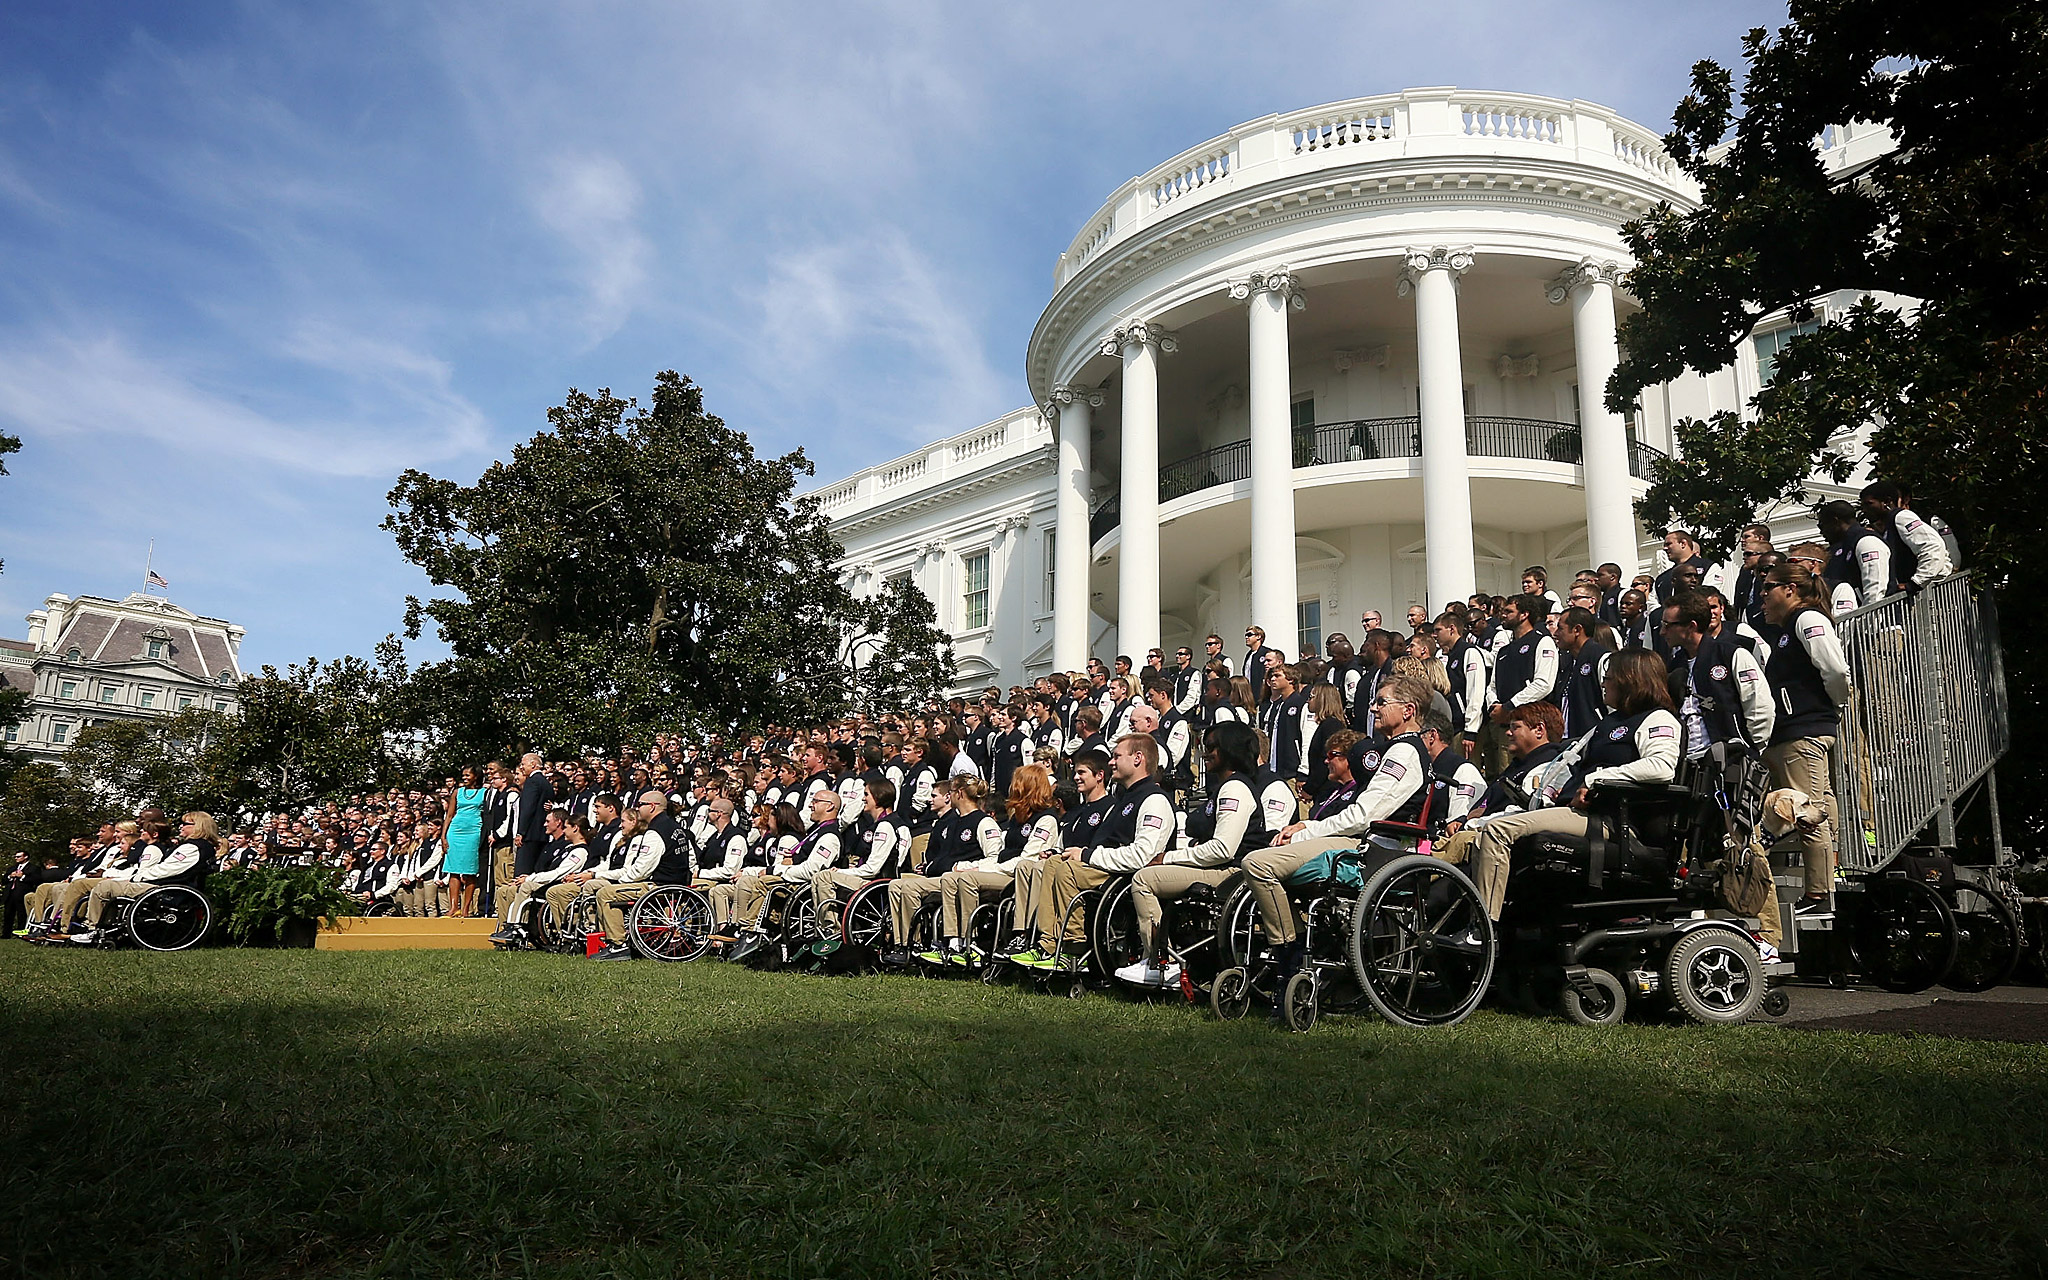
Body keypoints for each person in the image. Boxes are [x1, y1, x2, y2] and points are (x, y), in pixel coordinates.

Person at [1464, 650, 1682, 928]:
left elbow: (1662, 767)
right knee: (1482, 833)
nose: (1603, 683)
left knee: (1499, 831)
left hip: (1611, 822)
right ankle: (1506, 925)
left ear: (1629, 680)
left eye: (1609, 678)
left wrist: (1596, 780)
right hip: (1575, 811)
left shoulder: (1658, 719)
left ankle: (1483, 931)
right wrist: (1543, 795)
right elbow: (1567, 762)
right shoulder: (1608, 722)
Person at [1243, 675, 1436, 982]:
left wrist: (1307, 832)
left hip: (1372, 851)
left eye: (1381, 702)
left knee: (1257, 864)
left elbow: (1364, 816)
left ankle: (1290, 956)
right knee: (1265, 856)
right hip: (1365, 843)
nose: (1372, 709)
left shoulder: (1404, 752)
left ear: (1408, 710)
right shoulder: (1398, 749)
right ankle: (1295, 947)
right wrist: (1308, 824)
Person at [1118, 722, 1268, 988]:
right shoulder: (1223, 788)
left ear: (1229, 750)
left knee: (1144, 879)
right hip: (1221, 868)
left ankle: (1161, 962)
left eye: (1210, 747)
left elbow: (1223, 849)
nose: (1203, 753)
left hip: (1232, 874)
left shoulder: (1235, 789)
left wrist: (1170, 857)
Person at [1013, 734, 1176, 969]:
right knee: (1053, 863)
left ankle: (1072, 949)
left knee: (1068, 870)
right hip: (1107, 864)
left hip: (1128, 874)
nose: (1111, 762)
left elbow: (1143, 856)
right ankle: (1047, 944)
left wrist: (1088, 855)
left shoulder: (1154, 800)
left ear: (1138, 758)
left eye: (1117, 756)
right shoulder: (1124, 798)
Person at [1759, 562, 1853, 916]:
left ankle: (1818, 894)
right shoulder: (1789, 627)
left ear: (1790, 589)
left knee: (1807, 812)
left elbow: (1835, 669)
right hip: (1799, 730)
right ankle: (1831, 874)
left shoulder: (1808, 620)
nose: (1762, 596)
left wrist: (1833, 704)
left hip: (1804, 731)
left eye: (1768, 588)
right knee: (1821, 802)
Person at [929, 766, 1061, 965]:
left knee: (968, 877)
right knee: (951, 877)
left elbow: (1027, 859)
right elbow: (1000, 855)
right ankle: (955, 942)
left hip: (1019, 875)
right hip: (1003, 869)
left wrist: (981, 869)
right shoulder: (1016, 818)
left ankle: (973, 942)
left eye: (1016, 784)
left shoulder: (1046, 819)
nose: (1011, 788)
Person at [890, 775, 1001, 963]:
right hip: (938, 876)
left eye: (951, 792)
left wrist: (964, 867)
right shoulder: (951, 822)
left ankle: (917, 944)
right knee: (895, 885)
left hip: (960, 879)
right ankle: (901, 943)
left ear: (959, 794)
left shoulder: (983, 822)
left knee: (910, 888)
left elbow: (994, 859)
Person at [71, 813, 217, 945]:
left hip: (166, 888)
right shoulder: (199, 847)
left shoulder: (191, 848)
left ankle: (93, 929)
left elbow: (167, 870)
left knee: (105, 887)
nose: (181, 827)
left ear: (198, 827)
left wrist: (137, 878)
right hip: (168, 886)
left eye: (185, 824)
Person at [1859, 480, 1952, 595]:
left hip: (1933, 594)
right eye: (1862, 505)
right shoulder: (1887, 525)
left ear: (1887, 502)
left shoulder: (1901, 517)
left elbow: (1933, 547)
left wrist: (1915, 583)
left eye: (1869, 504)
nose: (1864, 510)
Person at [1815, 500, 1890, 609]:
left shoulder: (1866, 541)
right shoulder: (1844, 545)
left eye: (1822, 525)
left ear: (1835, 521)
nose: (1822, 532)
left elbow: (1875, 586)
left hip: (1881, 622)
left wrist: (1870, 618)